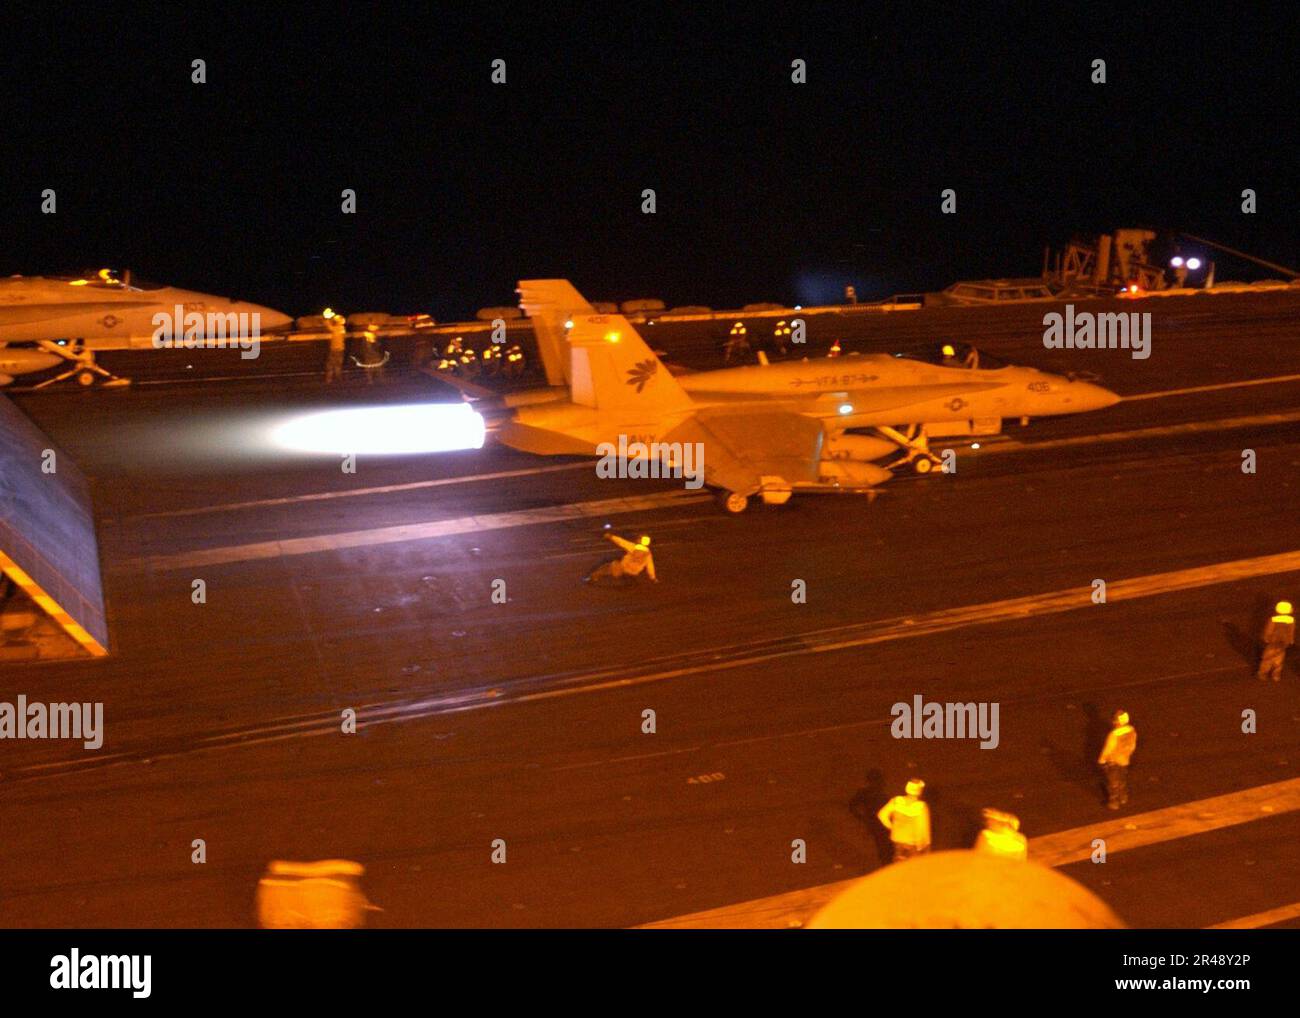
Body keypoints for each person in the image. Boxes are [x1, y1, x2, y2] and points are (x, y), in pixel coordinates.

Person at [876, 779, 931, 862]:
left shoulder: (896, 801)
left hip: (898, 840)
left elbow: (881, 815)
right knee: (911, 867)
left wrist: (891, 827)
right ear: (919, 791)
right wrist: (925, 845)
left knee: (898, 865)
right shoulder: (921, 806)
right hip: (912, 843)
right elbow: (922, 827)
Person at [1097, 710, 1137, 810]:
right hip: (1125, 760)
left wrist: (1102, 759)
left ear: (1117, 722)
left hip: (1113, 761)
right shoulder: (1131, 730)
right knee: (1122, 779)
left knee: (1113, 782)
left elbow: (1108, 748)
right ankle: (1123, 797)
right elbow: (1132, 745)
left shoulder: (1114, 734)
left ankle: (1114, 802)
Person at [586, 533, 657, 585]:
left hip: (623, 568)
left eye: (639, 539)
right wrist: (653, 578)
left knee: (606, 568)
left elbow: (621, 542)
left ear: (640, 541)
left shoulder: (633, 547)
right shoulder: (648, 553)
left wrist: (611, 537)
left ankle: (592, 578)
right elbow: (650, 566)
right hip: (634, 572)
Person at [1257, 600, 1294, 682]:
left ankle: (1263, 673)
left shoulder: (1273, 619)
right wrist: (1290, 640)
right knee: (1279, 660)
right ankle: (1275, 675)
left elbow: (1269, 630)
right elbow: (1291, 631)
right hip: (1283, 643)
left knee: (1267, 658)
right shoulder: (1291, 620)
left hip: (1273, 642)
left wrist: (1266, 638)